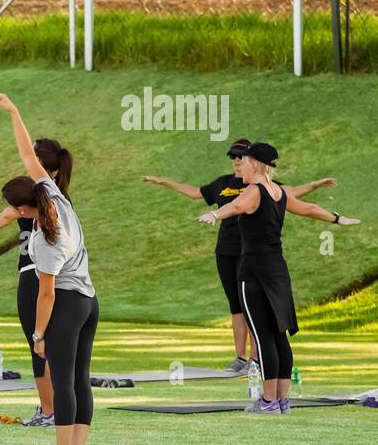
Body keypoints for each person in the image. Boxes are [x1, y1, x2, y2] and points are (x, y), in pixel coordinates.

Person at [143, 141, 335, 371]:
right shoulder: (223, 183)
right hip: (226, 251)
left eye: (241, 156)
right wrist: (164, 181)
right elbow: (195, 192)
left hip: (252, 252)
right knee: (236, 305)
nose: (236, 160)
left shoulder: (261, 185)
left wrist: (315, 185)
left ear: (252, 161)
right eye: (233, 155)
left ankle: (256, 360)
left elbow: (290, 195)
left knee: (253, 307)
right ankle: (240, 358)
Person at [198, 142, 359, 413]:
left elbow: (236, 207)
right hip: (277, 270)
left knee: (263, 337)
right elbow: (307, 208)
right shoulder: (278, 192)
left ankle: (268, 401)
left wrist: (215, 213)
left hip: (253, 271)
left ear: (256, 166)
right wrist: (336, 218)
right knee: (279, 334)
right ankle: (283, 400)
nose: (241, 168)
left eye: (245, 163)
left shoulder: (255, 191)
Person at [0, 92, 96, 445]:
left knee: (64, 379)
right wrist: (15, 112)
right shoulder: (53, 194)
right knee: (79, 378)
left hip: (67, 302)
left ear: (21, 210)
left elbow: (47, 294)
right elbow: (28, 157)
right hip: (88, 301)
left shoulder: (47, 240)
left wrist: (38, 336)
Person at [0, 137, 75, 427]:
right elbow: (11, 212)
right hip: (54, 274)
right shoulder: (58, 195)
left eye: (32, 155)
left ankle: (49, 411)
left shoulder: (43, 196)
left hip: (36, 274)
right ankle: (54, 408)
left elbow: (10, 213)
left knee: (38, 341)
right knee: (50, 343)